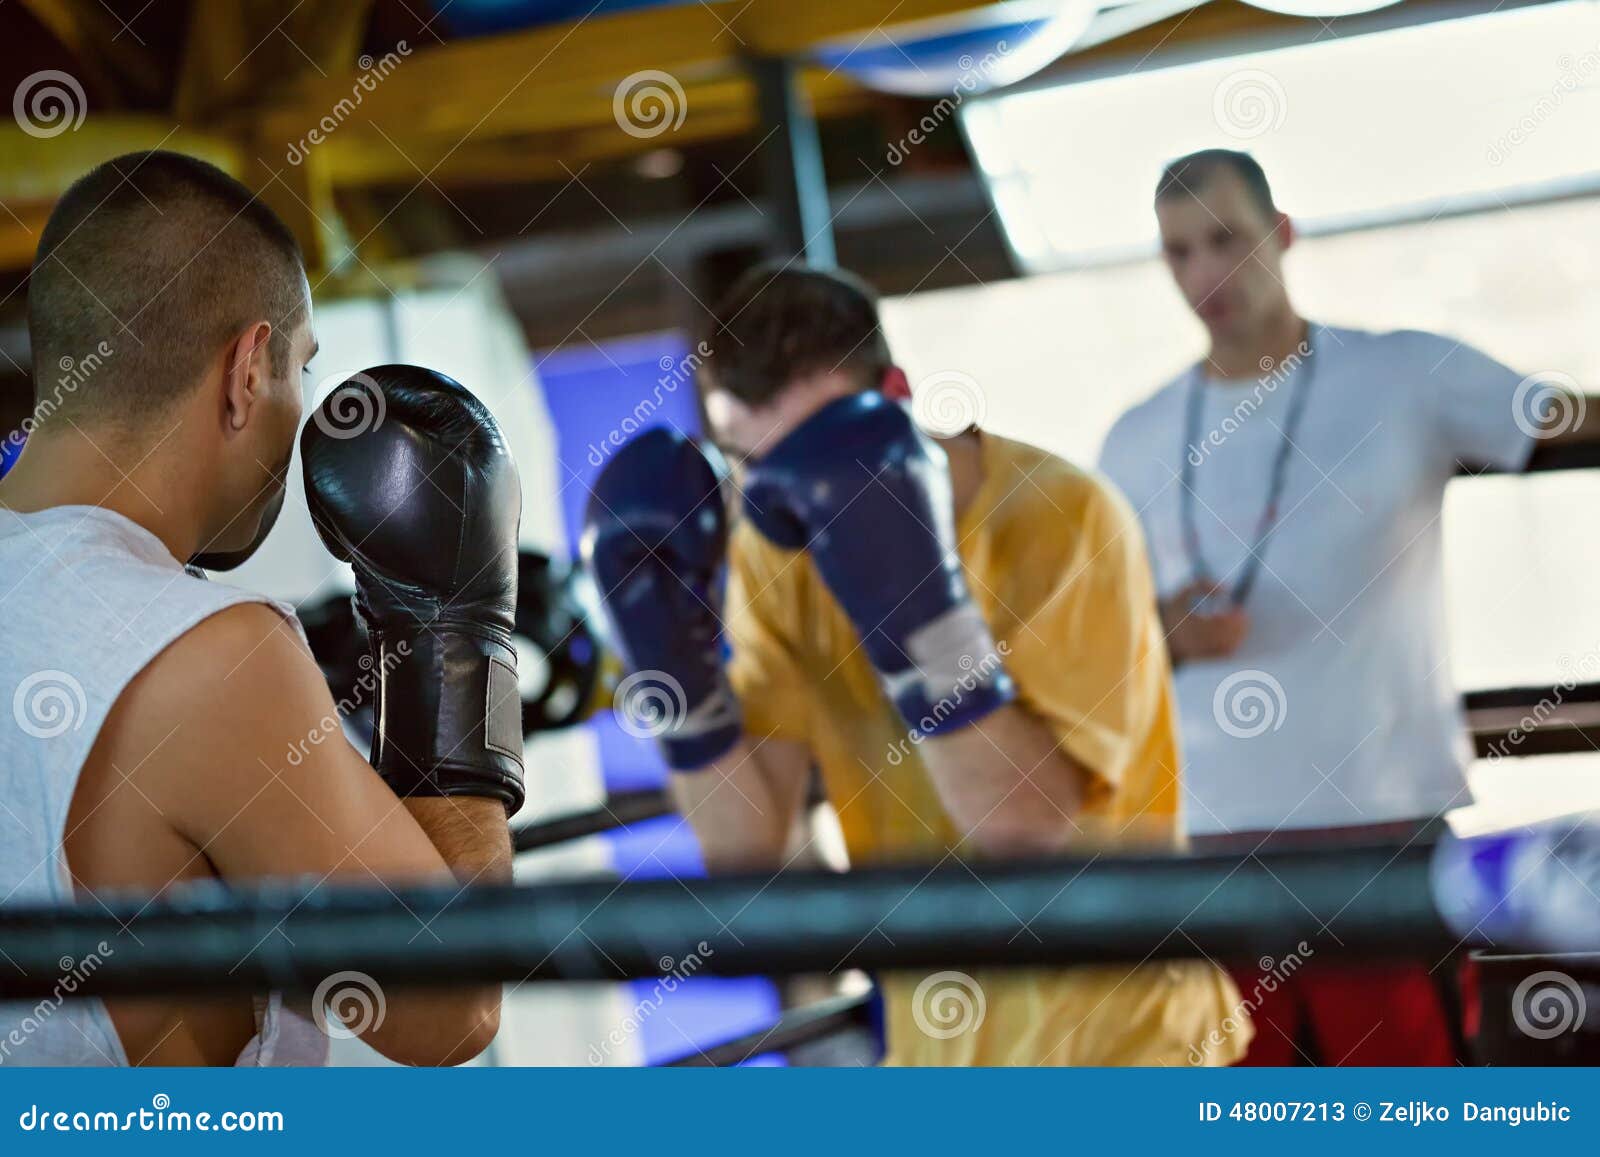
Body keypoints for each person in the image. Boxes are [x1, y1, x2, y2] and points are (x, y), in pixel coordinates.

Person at [584, 263, 1244, 1066]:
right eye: (752, 468)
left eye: (812, 455)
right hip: (941, 1057)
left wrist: (913, 604)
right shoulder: (774, 556)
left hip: (1125, 1047)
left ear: (893, 393)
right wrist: (674, 676)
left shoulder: (1065, 519)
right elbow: (747, 849)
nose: (787, 500)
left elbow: (1026, 826)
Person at [0, 151, 521, 1066]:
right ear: (247, 369)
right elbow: (450, 1008)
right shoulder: (207, 657)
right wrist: (455, 630)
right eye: (301, 368)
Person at [1096, 148, 1600, 1065]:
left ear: (1281, 236)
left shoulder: (1405, 374)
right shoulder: (1131, 440)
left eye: (1226, 240)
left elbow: (1567, 420)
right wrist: (1155, 633)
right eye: (1179, 251)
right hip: (1206, 848)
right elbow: (1096, 644)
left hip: (1384, 829)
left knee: (1415, 1108)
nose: (1206, 272)